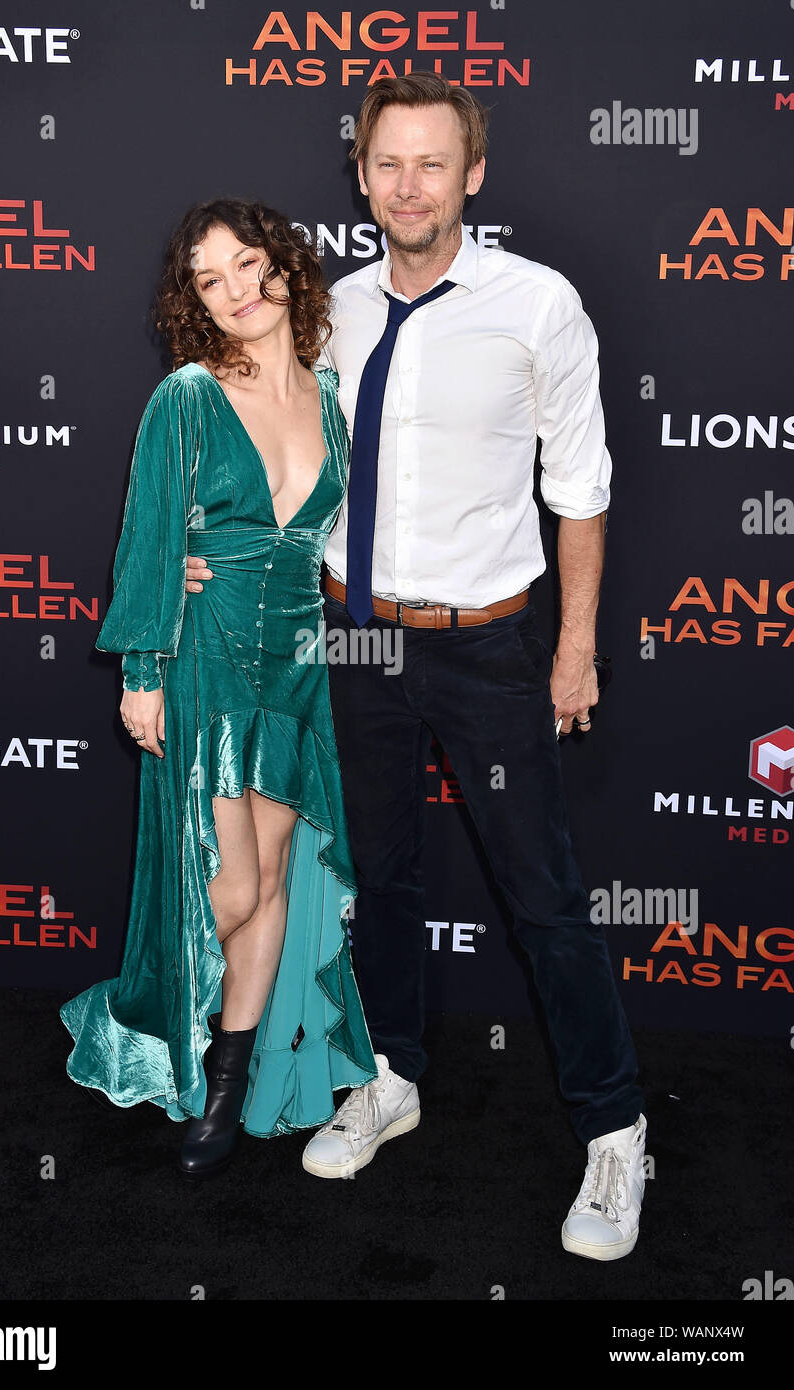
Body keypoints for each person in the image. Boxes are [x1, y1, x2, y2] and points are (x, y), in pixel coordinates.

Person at [189, 75, 648, 1261]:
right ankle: (388, 1072)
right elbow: (265, 459)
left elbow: (580, 493)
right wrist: (199, 560)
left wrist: (576, 645)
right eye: (387, 164)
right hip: (353, 636)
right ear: (361, 175)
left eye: (431, 164)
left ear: (472, 176)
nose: (407, 185)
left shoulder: (537, 305)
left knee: (542, 897)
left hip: (490, 643)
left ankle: (614, 1130)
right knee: (377, 881)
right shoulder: (325, 309)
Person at [60, 197, 377, 1180]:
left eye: (248, 265)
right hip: (199, 655)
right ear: (193, 301)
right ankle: (150, 1020)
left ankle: (227, 1086)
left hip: (294, 662)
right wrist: (143, 672)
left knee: (276, 879)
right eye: (210, 279)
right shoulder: (188, 396)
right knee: (229, 883)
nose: (236, 290)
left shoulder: (330, 395)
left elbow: (339, 545)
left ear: (285, 268)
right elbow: (150, 537)